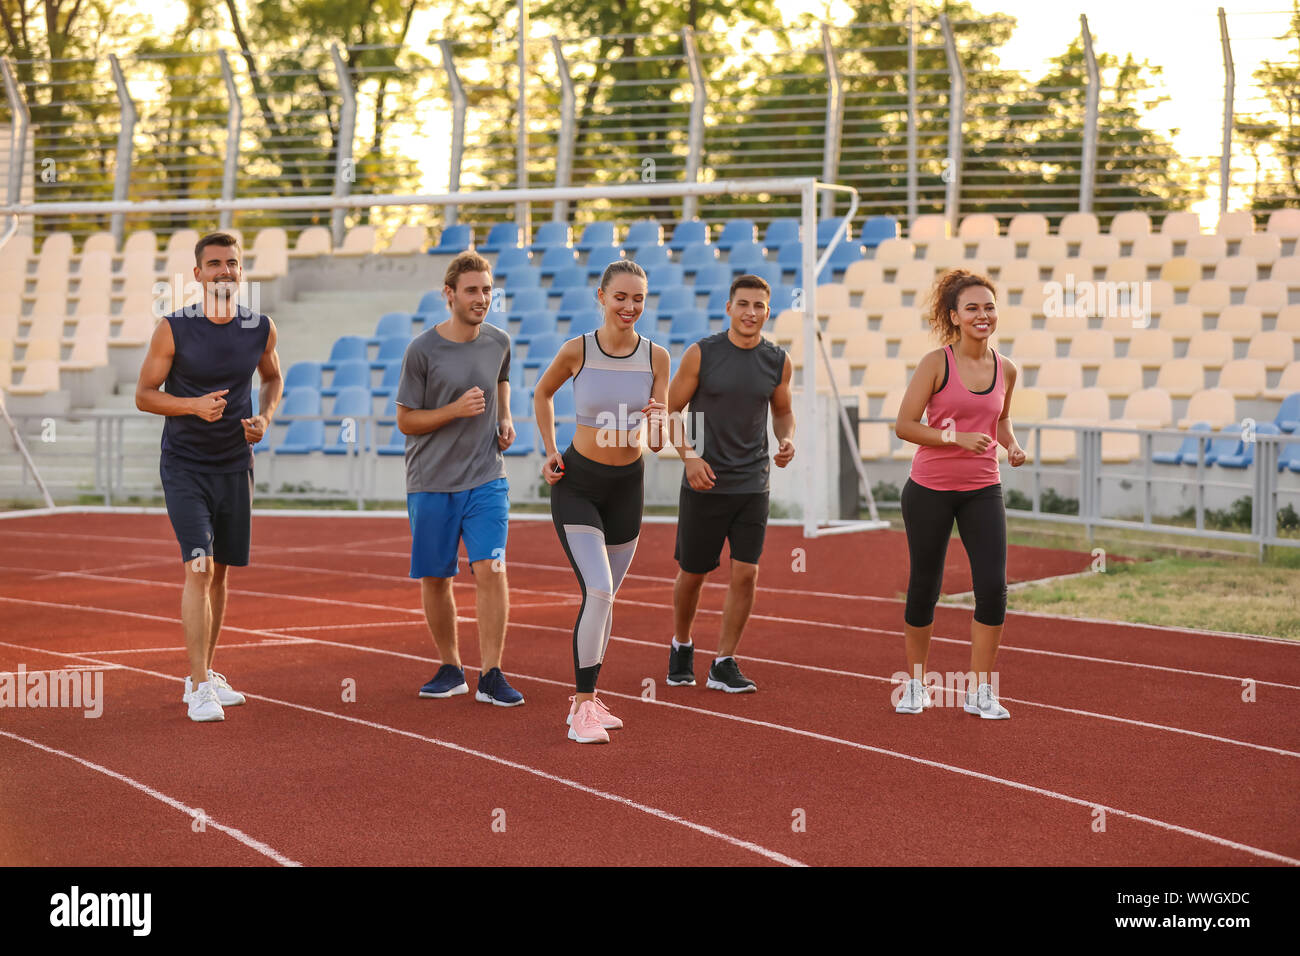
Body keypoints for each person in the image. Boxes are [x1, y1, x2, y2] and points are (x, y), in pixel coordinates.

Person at [136, 231, 283, 722]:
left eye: (232, 263)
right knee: (198, 566)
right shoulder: (173, 328)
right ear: (197, 274)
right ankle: (197, 686)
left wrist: (264, 418)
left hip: (235, 465)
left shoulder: (260, 327)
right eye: (214, 263)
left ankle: (207, 673)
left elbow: (273, 378)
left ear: (241, 272)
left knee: (220, 573)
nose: (224, 271)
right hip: (185, 465)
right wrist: (192, 406)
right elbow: (144, 394)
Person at [534, 260, 670, 743]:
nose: (629, 307)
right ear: (601, 296)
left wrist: (658, 419)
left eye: (638, 298)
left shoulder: (658, 358)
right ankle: (581, 708)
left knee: (608, 600)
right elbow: (542, 393)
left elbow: (656, 443)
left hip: (627, 487)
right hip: (579, 484)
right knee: (599, 590)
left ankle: (591, 700)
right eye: (620, 297)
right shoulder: (578, 350)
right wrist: (549, 450)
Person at [893, 268, 1026, 719]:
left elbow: (1001, 419)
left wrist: (1012, 444)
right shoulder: (936, 363)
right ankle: (915, 684)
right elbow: (904, 425)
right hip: (929, 489)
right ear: (954, 316)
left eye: (989, 307)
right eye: (972, 308)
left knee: (992, 587)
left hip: (982, 489)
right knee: (925, 586)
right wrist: (954, 439)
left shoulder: (1006, 368)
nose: (982, 315)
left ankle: (980, 692)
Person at [396, 250, 523, 707]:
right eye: (472, 290)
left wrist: (504, 418)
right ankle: (451, 668)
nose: (482, 298)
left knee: (492, 567)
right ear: (449, 295)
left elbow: (501, 379)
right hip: (430, 480)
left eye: (487, 290)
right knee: (436, 577)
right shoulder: (422, 350)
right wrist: (454, 410)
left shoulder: (498, 341)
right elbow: (406, 422)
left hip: (487, 476)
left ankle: (492, 673)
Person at [664, 274, 794, 693]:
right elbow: (669, 410)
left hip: (753, 483)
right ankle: (681, 643)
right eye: (743, 304)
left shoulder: (778, 360)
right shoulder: (702, 354)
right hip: (704, 482)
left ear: (767, 312)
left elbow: (782, 411)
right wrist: (690, 457)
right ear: (729, 308)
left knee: (746, 574)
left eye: (759, 306)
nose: (750, 313)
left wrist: (787, 438)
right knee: (693, 574)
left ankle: (723, 661)